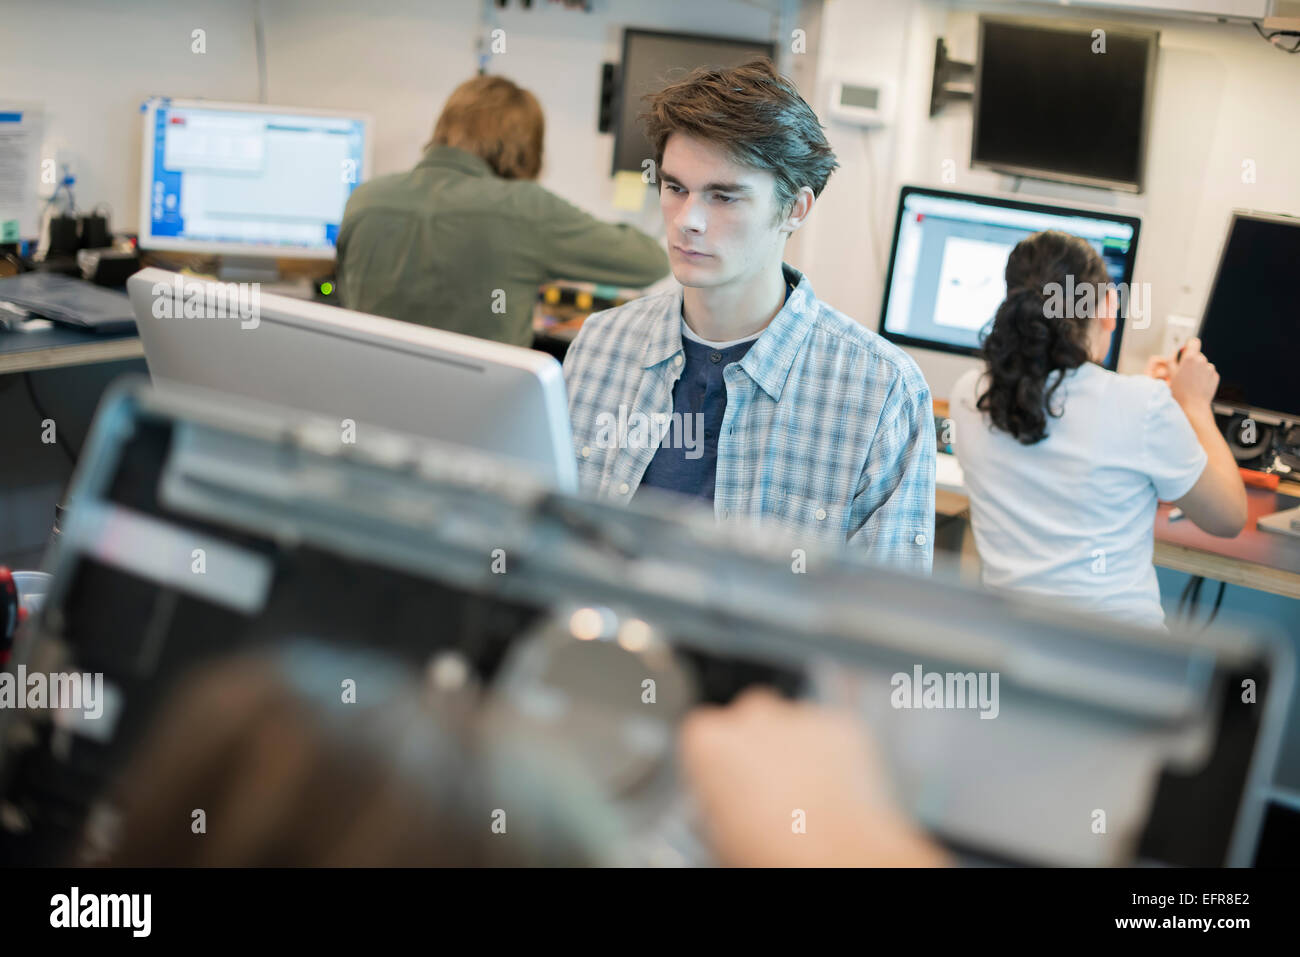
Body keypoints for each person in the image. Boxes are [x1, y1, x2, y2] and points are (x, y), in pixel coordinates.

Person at [562, 60, 935, 571]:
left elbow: (887, 617)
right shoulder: (600, 345)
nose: (687, 221)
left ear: (795, 209)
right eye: (676, 188)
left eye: (723, 196)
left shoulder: (879, 391)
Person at [949, 230, 1247, 628]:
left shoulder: (970, 393)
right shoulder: (1140, 407)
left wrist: (1140, 400)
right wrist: (1193, 406)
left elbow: (1078, 419)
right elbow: (1227, 518)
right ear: (1108, 308)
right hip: (1118, 661)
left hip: (1015, 653)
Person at [336, 75, 669, 347]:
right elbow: (649, 261)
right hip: (478, 419)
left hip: (366, 412)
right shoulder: (524, 207)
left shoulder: (365, 199)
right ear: (525, 148)